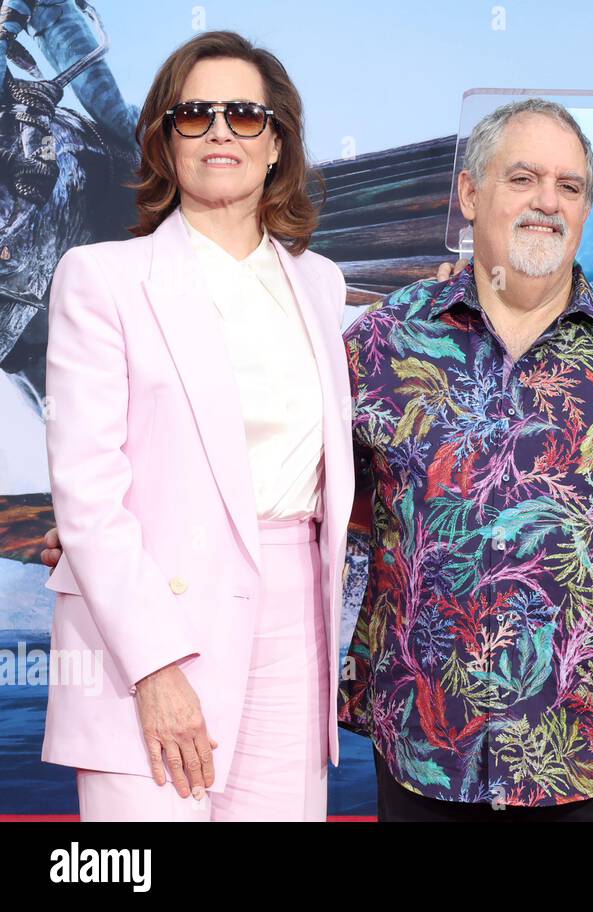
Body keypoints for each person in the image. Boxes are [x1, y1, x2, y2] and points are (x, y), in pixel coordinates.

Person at [337, 98, 593, 820]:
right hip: (422, 752)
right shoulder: (382, 342)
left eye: (569, 186)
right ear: (470, 194)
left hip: (591, 754)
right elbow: (302, 498)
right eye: (522, 179)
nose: (546, 203)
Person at [40, 30, 352, 821]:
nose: (220, 131)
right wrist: (154, 666)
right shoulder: (100, 278)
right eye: (195, 114)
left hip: (296, 625)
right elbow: (89, 497)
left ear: (277, 142)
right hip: (149, 626)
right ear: (163, 140)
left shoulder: (321, 284)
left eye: (245, 114)